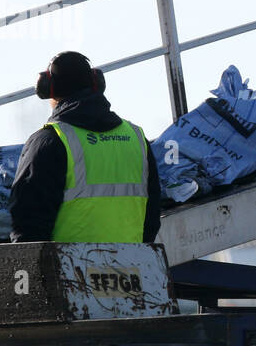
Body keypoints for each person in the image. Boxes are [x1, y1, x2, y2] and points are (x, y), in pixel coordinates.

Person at [10, 51, 161, 243]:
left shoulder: (49, 141)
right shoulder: (136, 138)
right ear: (97, 84)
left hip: (69, 270)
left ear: (48, 88)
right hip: (132, 266)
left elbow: (28, 223)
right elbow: (152, 216)